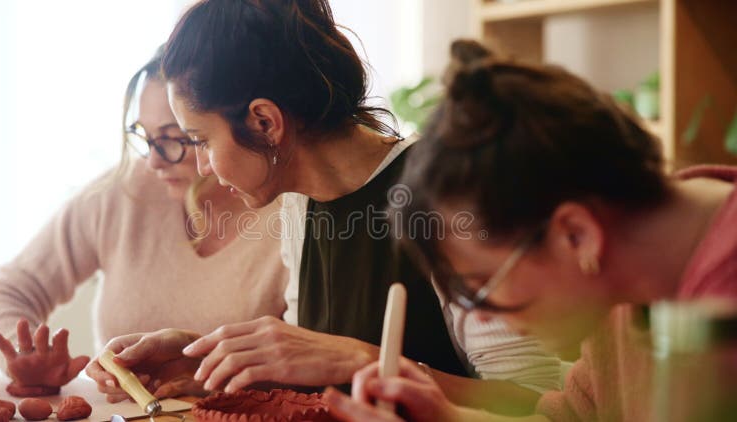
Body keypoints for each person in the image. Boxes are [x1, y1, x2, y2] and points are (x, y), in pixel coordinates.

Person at [87, 1, 561, 415]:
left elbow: (536, 400)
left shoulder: (450, 192)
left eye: (201, 140)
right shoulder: (297, 202)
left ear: (265, 121)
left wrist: (365, 361)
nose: (204, 167)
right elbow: (314, 369)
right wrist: (206, 361)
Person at [322, 40, 737, 421]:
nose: (481, 315)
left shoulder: (722, 312)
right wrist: (447, 416)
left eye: (481, 284)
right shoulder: (622, 287)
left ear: (576, 234)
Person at [0, 46, 288, 399]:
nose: (153, 162)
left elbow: (310, 372)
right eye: (145, 137)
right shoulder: (123, 192)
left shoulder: (295, 218)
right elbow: (5, 290)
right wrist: (21, 352)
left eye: (178, 139)